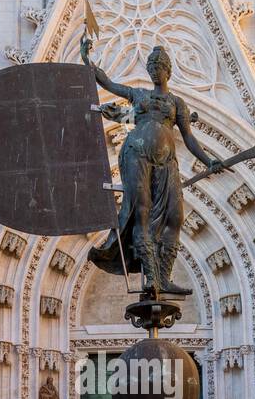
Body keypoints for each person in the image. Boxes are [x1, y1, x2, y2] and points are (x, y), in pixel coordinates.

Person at [81, 37, 222, 297]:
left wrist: (208, 160)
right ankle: (152, 278)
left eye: (160, 65)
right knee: (141, 213)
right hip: (137, 153)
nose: (156, 69)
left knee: (175, 216)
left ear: (168, 71)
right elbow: (108, 82)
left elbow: (189, 137)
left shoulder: (177, 103)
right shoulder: (139, 94)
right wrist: (87, 59)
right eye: (153, 65)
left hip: (166, 161)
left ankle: (164, 278)